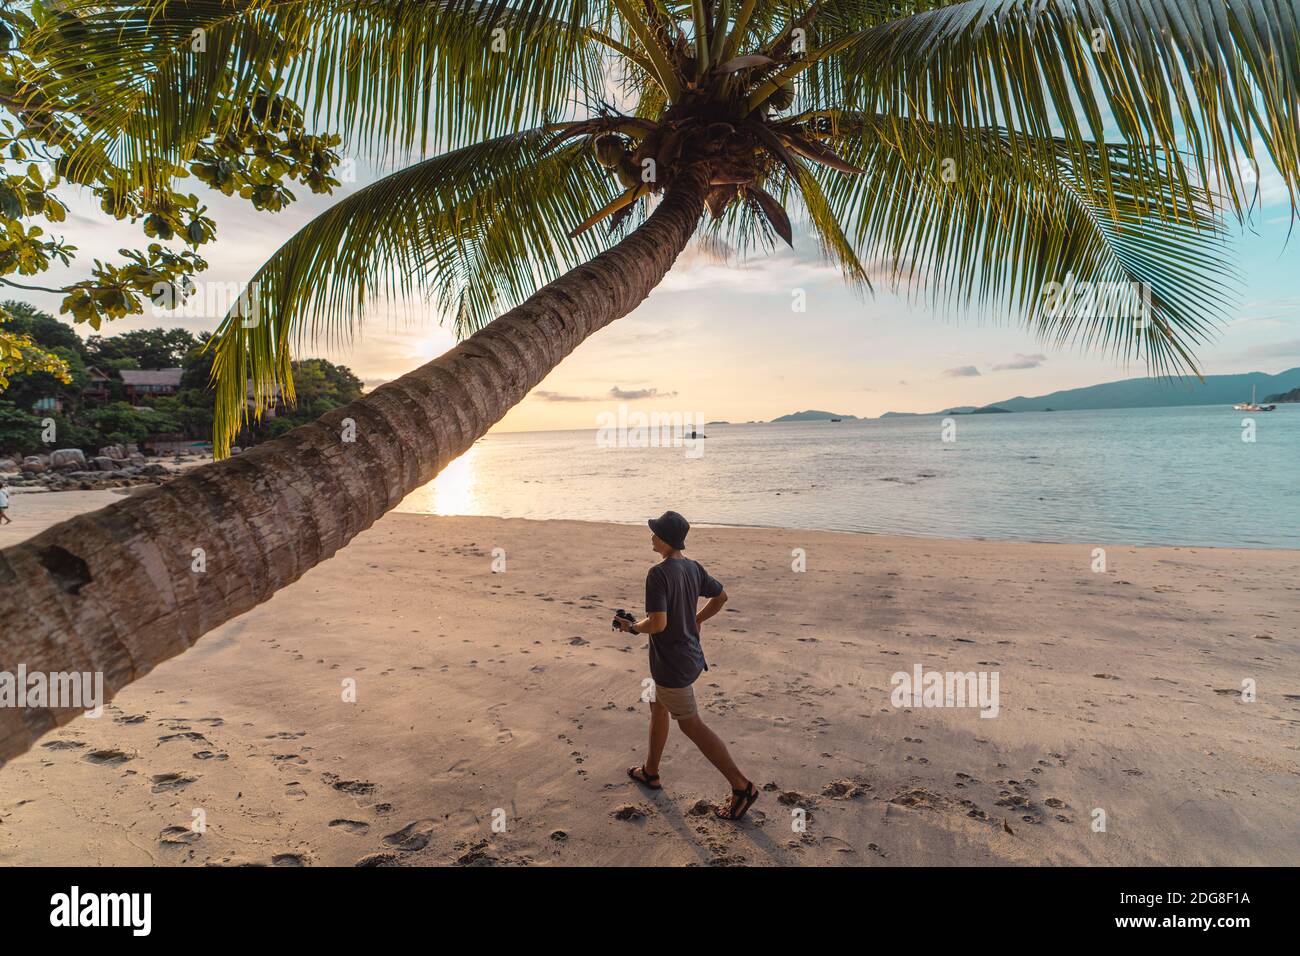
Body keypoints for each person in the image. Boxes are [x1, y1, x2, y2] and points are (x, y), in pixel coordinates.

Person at [615, 510, 758, 821]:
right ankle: (651, 772)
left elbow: (657, 623)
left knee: (691, 724)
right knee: (657, 705)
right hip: (691, 657)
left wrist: (631, 628)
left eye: (654, 532)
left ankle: (741, 786)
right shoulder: (693, 568)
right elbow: (721, 597)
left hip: (672, 666)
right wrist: (697, 618)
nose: (651, 536)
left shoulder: (658, 574)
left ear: (664, 539)